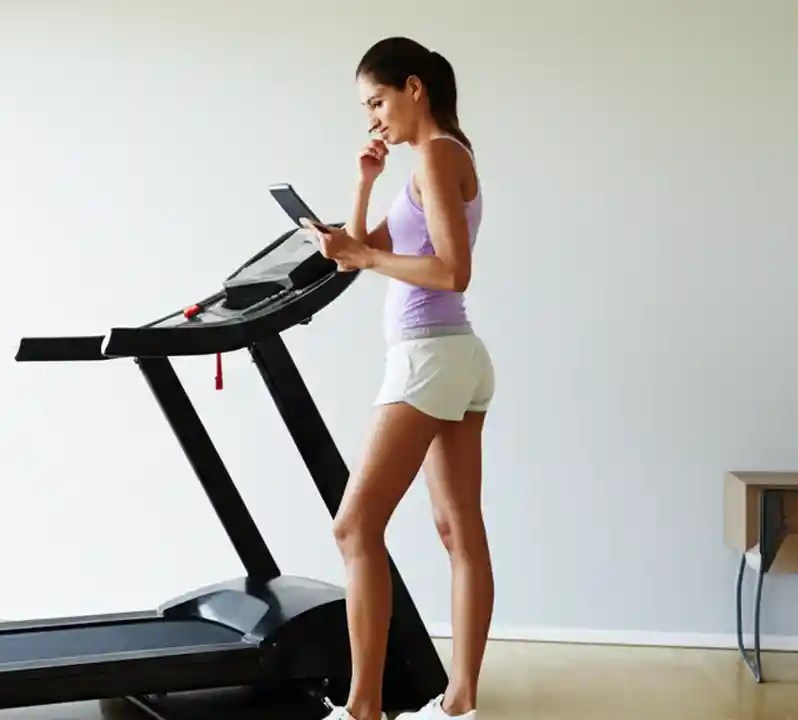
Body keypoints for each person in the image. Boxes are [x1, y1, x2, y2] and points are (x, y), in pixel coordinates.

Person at [301, 37, 495, 720]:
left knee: (355, 528)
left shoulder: (439, 154)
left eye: (377, 102)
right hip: (456, 356)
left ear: (415, 87)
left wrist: (362, 255)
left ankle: (363, 708)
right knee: (458, 531)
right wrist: (363, 185)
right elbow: (360, 257)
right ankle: (460, 705)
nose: (374, 118)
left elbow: (451, 271)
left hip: (430, 355)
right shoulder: (436, 159)